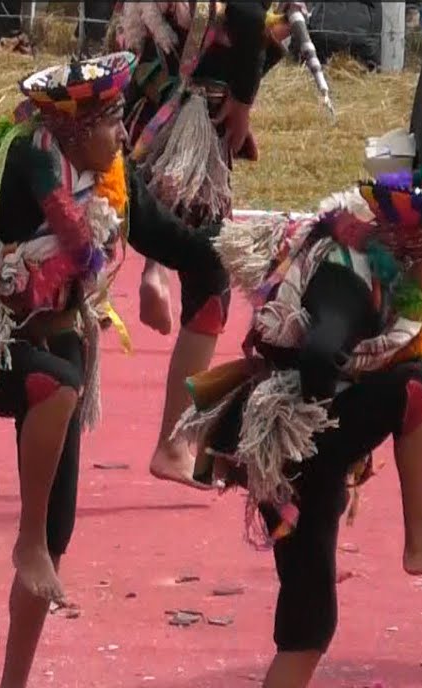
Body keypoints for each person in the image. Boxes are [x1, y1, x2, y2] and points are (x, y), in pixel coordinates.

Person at [0, 51, 229, 688]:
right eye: (112, 123)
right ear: (75, 133)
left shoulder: (112, 178)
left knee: (60, 528)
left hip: (63, 339)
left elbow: (171, 241)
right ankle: (26, 543)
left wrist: (209, 279)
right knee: (57, 387)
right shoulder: (18, 167)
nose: (124, 135)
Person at [173, 154, 422, 688]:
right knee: (414, 383)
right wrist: (340, 411)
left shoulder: (372, 268)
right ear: (414, 251)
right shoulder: (347, 282)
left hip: (304, 464)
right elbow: (323, 357)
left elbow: (361, 350)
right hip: (299, 455)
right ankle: (419, 539)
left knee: (309, 626)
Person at [110, 0, 291, 489]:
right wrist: (246, 101)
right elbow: (248, 16)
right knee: (210, 282)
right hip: (186, 130)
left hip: (152, 117)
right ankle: (172, 445)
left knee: (167, 230)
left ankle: (153, 271)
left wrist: (269, 44)